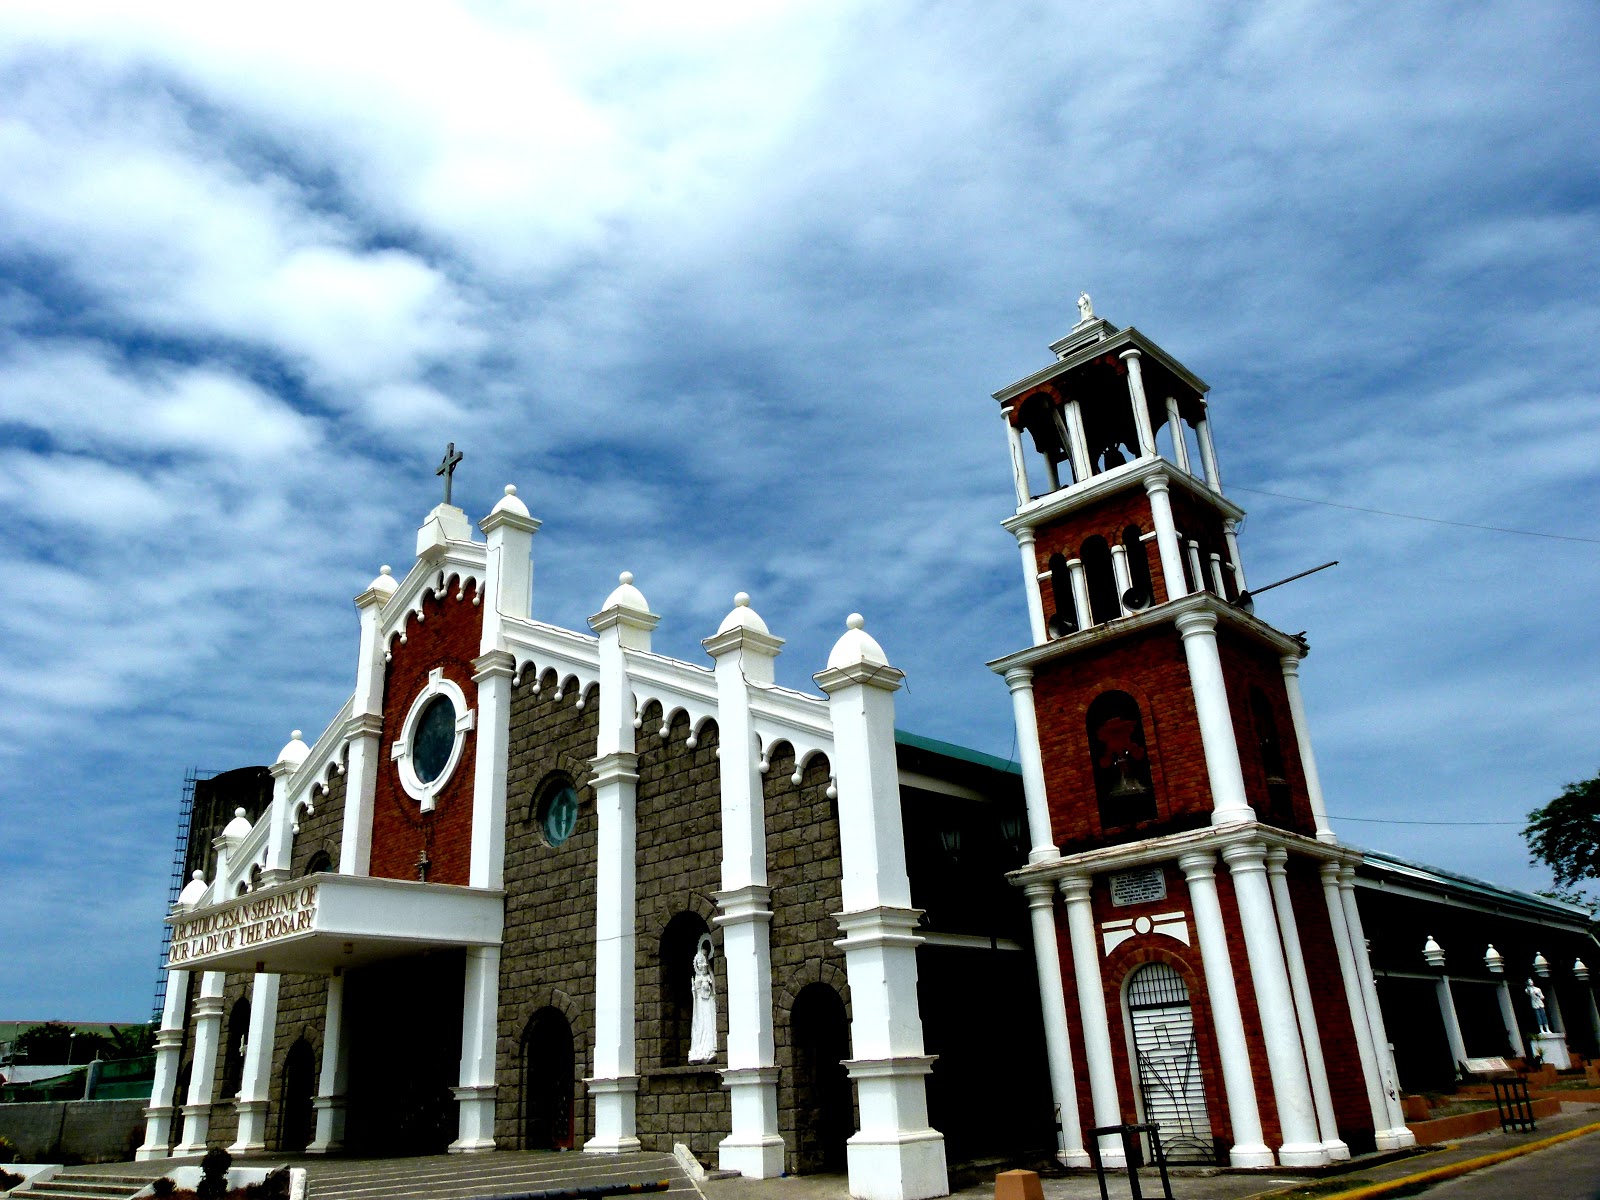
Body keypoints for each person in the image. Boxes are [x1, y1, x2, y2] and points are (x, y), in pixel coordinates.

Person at [688, 941, 717, 1063]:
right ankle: (699, 1049)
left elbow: (713, 985)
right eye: (701, 964)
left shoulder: (707, 976)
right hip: (701, 1005)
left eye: (705, 963)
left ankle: (710, 1049)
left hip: (708, 1003)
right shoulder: (697, 978)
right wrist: (695, 990)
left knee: (709, 1024)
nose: (703, 966)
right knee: (701, 1026)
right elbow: (695, 994)